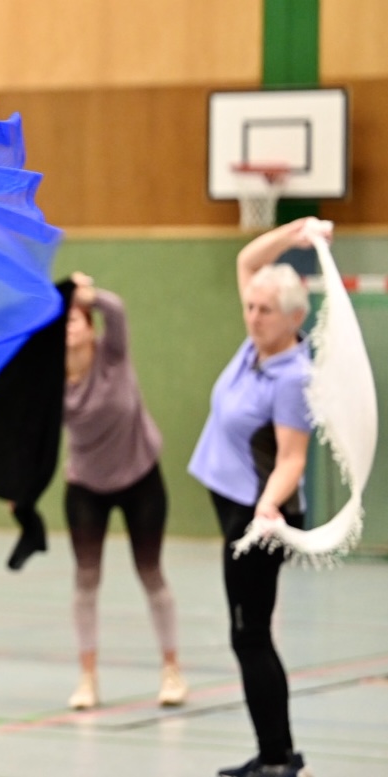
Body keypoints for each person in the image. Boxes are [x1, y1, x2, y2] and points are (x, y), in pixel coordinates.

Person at [189, 218, 324, 777]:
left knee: (250, 636)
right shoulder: (257, 349)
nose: (252, 316)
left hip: (259, 517)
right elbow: (248, 261)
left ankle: (276, 760)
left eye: (265, 310)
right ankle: (276, 753)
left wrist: (267, 507)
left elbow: (292, 458)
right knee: (249, 635)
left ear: (294, 317)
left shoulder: (293, 377)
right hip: (237, 502)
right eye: (250, 306)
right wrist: (295, 232)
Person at [61, 272, 185, 710]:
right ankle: (87, 677)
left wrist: (87, 294)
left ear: (89, 325)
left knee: (150, 572)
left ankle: (171, 669)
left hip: (140, 476)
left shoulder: (112, 355)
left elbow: (116, 310)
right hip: (86, 484)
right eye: (64, 319)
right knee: (85, 580)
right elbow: (28, 435)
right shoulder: (52, 380)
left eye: (76, 318)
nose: (70, 325)